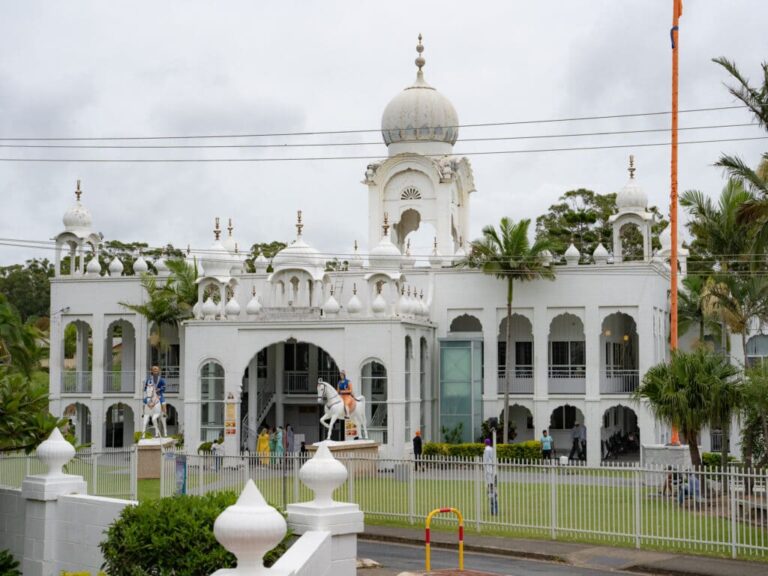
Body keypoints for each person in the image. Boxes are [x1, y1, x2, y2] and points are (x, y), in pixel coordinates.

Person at [483, 439, 498, 515]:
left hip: (489, 473)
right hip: (494, 472)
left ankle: (493, 510)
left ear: (485, 443)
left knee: (490, 491)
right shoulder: (492, 449)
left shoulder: (486, 450)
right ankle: (495, 509)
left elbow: (485, 462)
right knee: (495, 491)